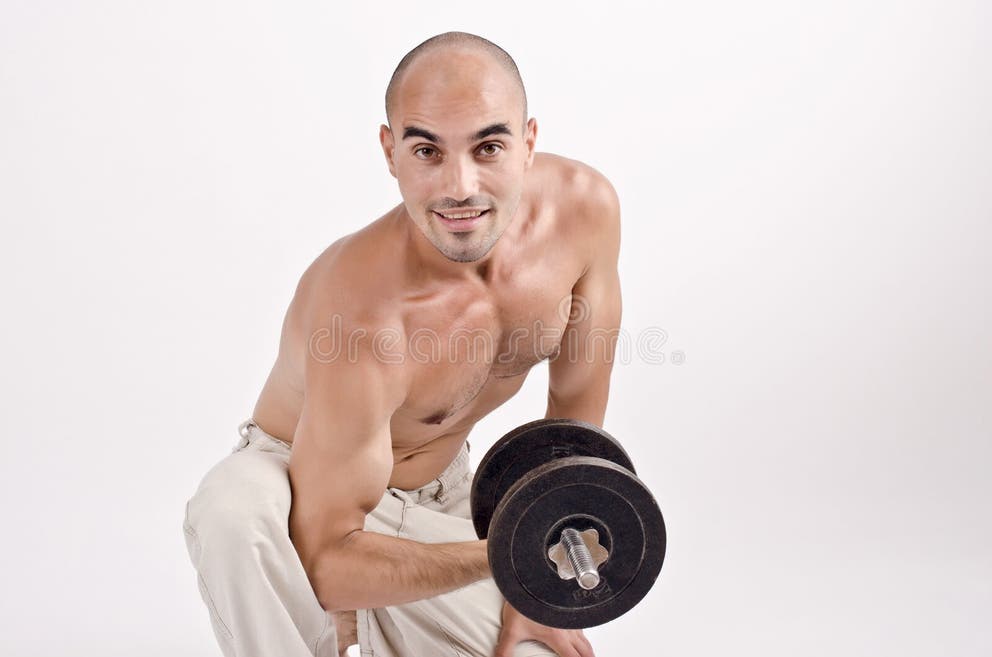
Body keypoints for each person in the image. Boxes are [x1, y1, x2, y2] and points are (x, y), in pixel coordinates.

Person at [182, 30, 621, 657]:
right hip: (305, 496)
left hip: (446, 498)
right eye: (427, 151)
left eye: (488, 146)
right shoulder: (360, 310)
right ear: (391, 152)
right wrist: (506, 558)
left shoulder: (586, 214)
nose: (460, 187)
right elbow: (330, 560)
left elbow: (574, 430)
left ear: (528, 141)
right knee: (236, 514)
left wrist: (535, 587)